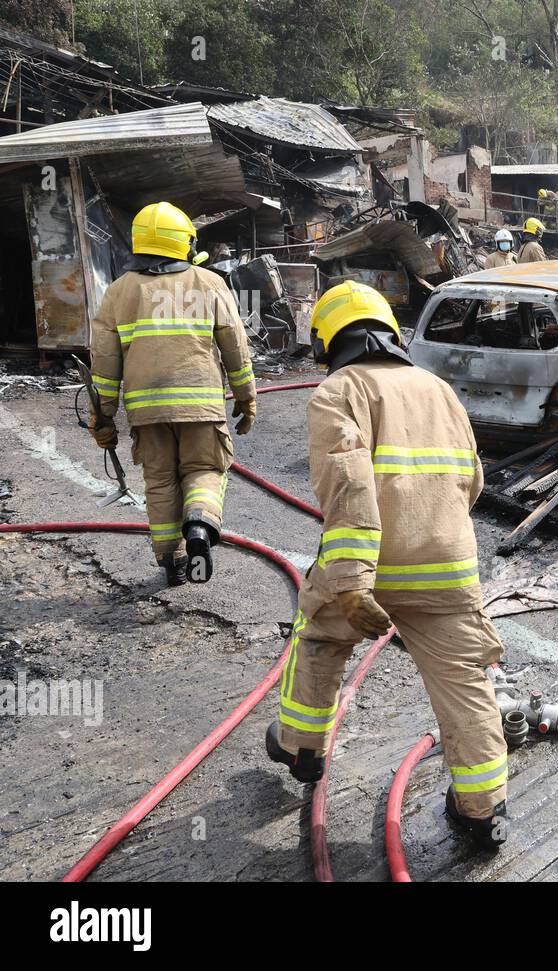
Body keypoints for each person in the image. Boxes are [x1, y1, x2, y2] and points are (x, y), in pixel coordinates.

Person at [265, 280, 510, 851]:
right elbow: (472, 480)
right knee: (464, 682)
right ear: (392, 333)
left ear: (328, 340)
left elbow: (348, 489)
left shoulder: (337, 391)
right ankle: (482, 810)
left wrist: (350, 585)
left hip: (368, 570)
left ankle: (303, 751)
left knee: (322, 640)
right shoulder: (438, 390)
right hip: (449, 568)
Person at [88, 202, 256, 587]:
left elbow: (105, 363)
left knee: (160, 481)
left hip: (147, 413)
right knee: (204, 470)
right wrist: (247, 398)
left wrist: (104, 416)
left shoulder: (118, 293)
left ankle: (173, 561)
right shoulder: (209, 283)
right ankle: (199, 523)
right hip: (201, 406)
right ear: (185, 242)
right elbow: (235, 346)